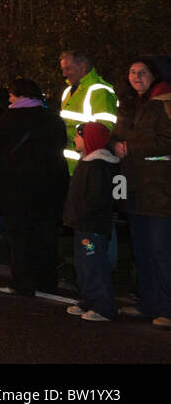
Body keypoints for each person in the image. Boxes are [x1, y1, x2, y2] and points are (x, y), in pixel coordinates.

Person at [0, 78, 69, 296]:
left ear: (19, 95)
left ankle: (23, 281)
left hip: (18, 184)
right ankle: (47, 281)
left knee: (20, 235)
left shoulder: (11, 117)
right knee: (46, 234)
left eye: (11, 95)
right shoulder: (52, 117)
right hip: (50, 185)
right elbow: (62, 143)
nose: (9, 99)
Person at [111, 58, 171, 326]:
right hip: (132, 186)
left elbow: (166, 141)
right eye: (132, 72)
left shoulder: (164, 103)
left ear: (154, 76)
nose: (137, 76)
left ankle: (167, 309)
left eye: (143, 72)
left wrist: (130, 146)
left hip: (159, 189)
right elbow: (115, 135)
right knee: (142, 249)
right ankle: (149, 303)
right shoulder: (128, 104)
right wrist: (114, 145)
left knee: (162, 250)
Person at [63, 121, 121, 321]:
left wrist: (82, 216)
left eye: (79, 136)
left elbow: (97, 199)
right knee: (83, 264)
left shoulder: (100, 165)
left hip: (92, 227)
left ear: (90, 139)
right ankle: (89, 299)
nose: (75, 139)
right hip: (83, 226)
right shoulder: (88, 161)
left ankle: (104, 306)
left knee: (94, 263)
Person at [59, 51, 117, 171]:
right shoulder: (68, 91)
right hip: (68, 166)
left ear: (83, 66)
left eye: (68, 69)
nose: (64, 74)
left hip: (88, 166)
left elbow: (105, 130)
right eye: (63, 70)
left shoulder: (100, 91)